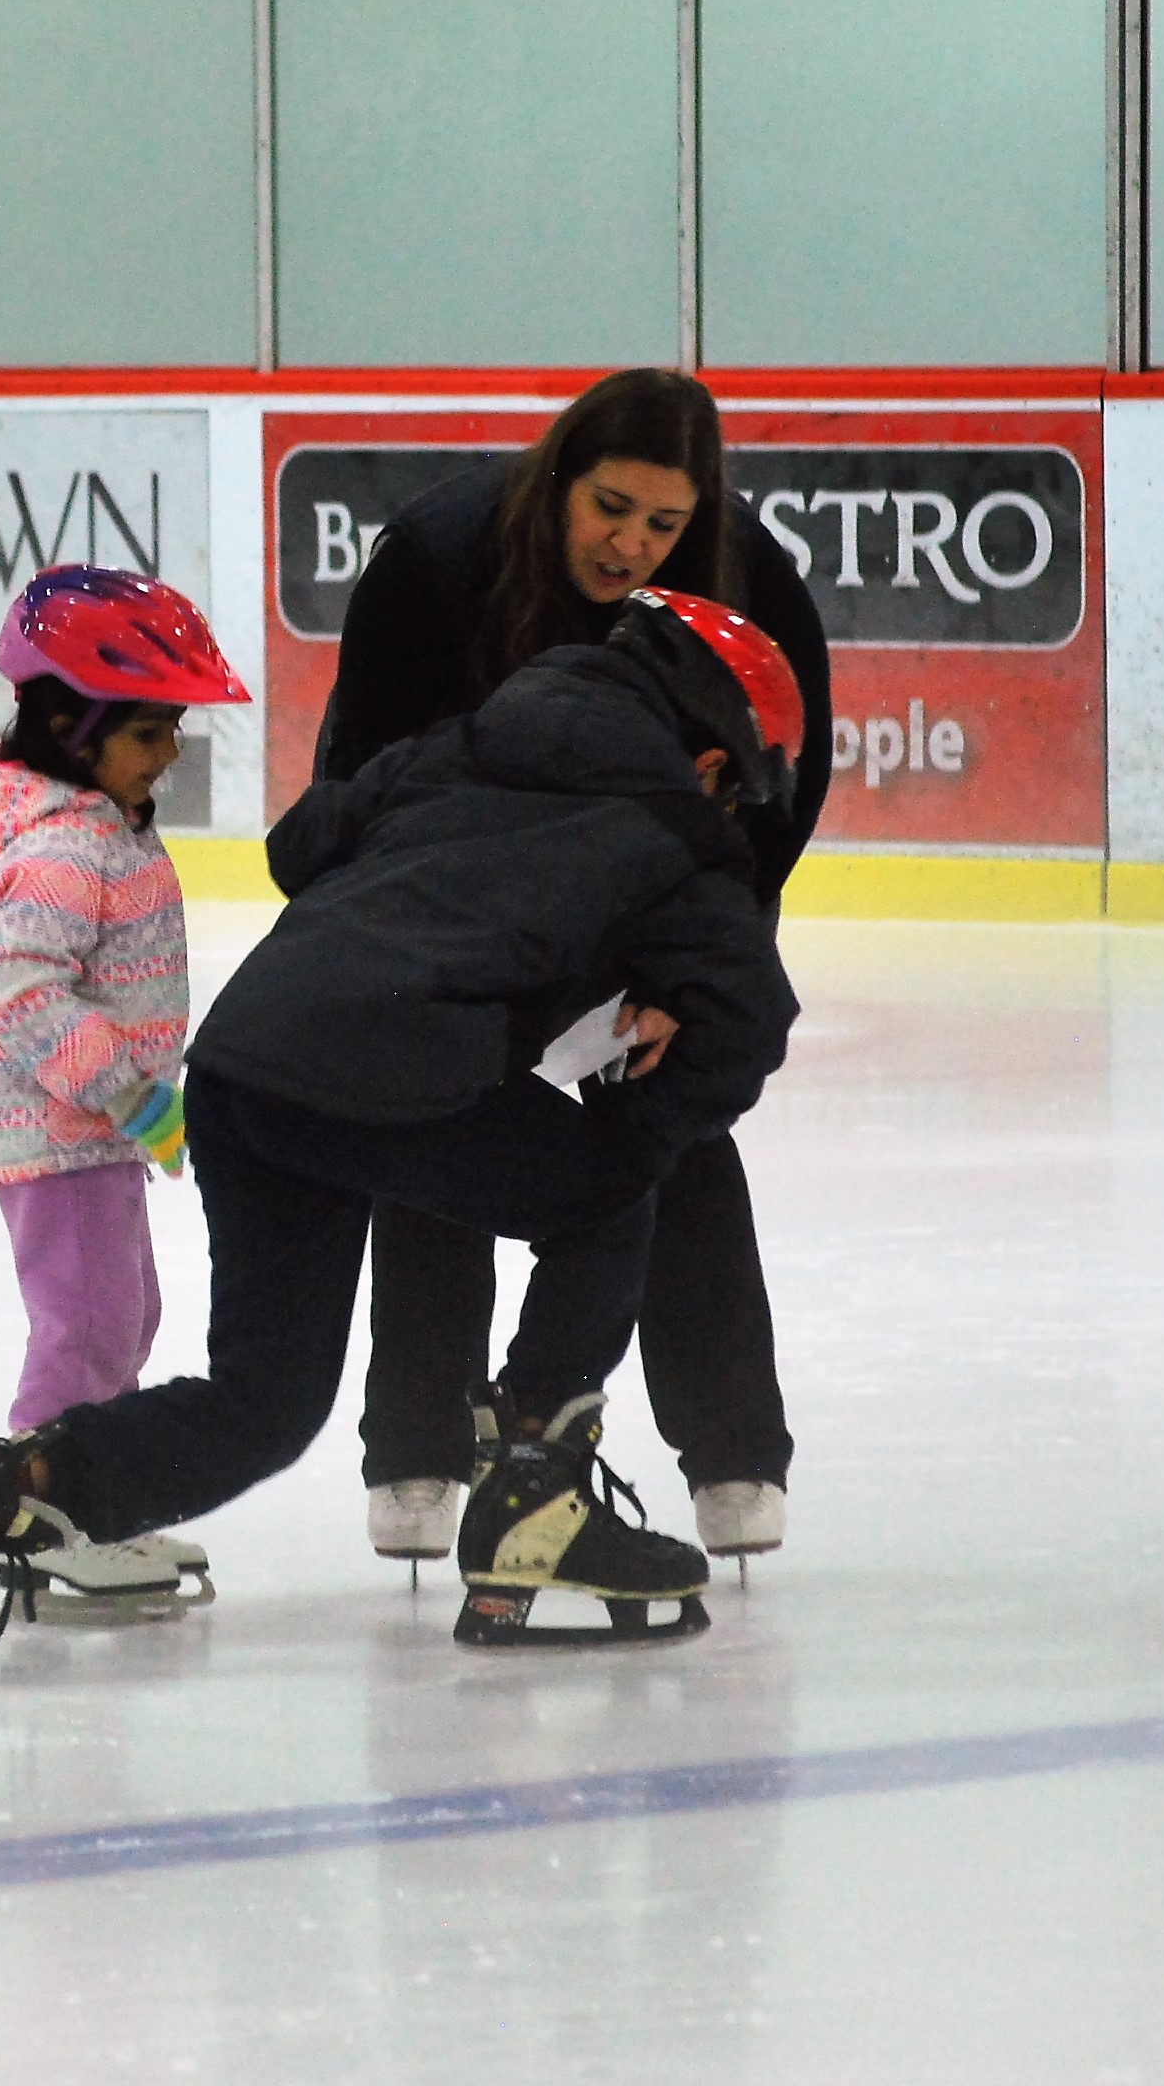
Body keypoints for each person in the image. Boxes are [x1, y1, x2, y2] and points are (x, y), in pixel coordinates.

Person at [0, 588, 807, 1682]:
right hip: (390, 1072)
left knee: (262, 1404)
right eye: (729, 787)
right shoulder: (671, 829)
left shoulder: (457, 747)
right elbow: (750, 1019)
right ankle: (535, 1496)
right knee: (616, 1186)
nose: (721, 808)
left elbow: (301, 846)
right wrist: (630, 1111)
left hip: (249, 1069)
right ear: (708, 753)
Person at [316, 368, 834, 1571]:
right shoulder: (436, 559)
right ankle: (416, 1450)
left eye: (663, 524)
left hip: (640, 904)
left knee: (677, 1133)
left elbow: (771, 799)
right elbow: (357, 770)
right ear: (558, 477)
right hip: (449, 898)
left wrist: (693, 979)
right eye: (609, 507)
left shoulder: (746, 579)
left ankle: (732, 1451)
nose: (632, 545)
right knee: (431, 1133)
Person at [0, 566, 252, 1622]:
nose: (171, 756)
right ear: (69, 725)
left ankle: (88, 1494)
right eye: (150, 733)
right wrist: (126, 1094)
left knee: (122, 1314)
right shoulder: (65, 847)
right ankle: (38, 1516)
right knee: (85, 1325)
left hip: (83, 1121)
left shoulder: (98, 822)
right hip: (59, 1121)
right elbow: (17, 992)